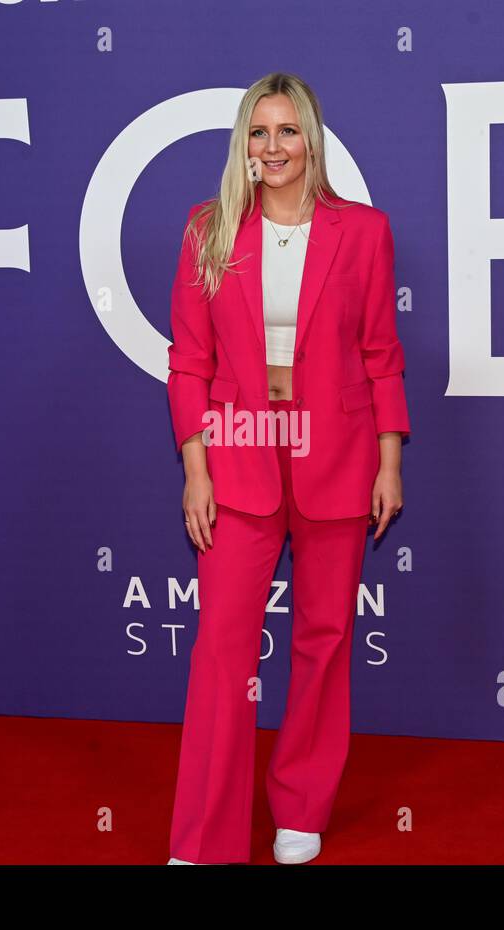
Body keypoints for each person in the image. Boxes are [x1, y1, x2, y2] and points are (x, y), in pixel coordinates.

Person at [165, 72, 411, 865]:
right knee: (221, 656)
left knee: (326, 637)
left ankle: (300, 806)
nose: (273, 148)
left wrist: (389, 461)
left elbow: (380, 356)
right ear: (244, 143)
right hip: (237, 456)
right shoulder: (208, 229)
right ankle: (204, 840)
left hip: (336, 458)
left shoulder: (364, 232)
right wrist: (195, 469)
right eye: (259, 132)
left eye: (288, 131)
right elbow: (188, 364)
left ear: (313, 139)